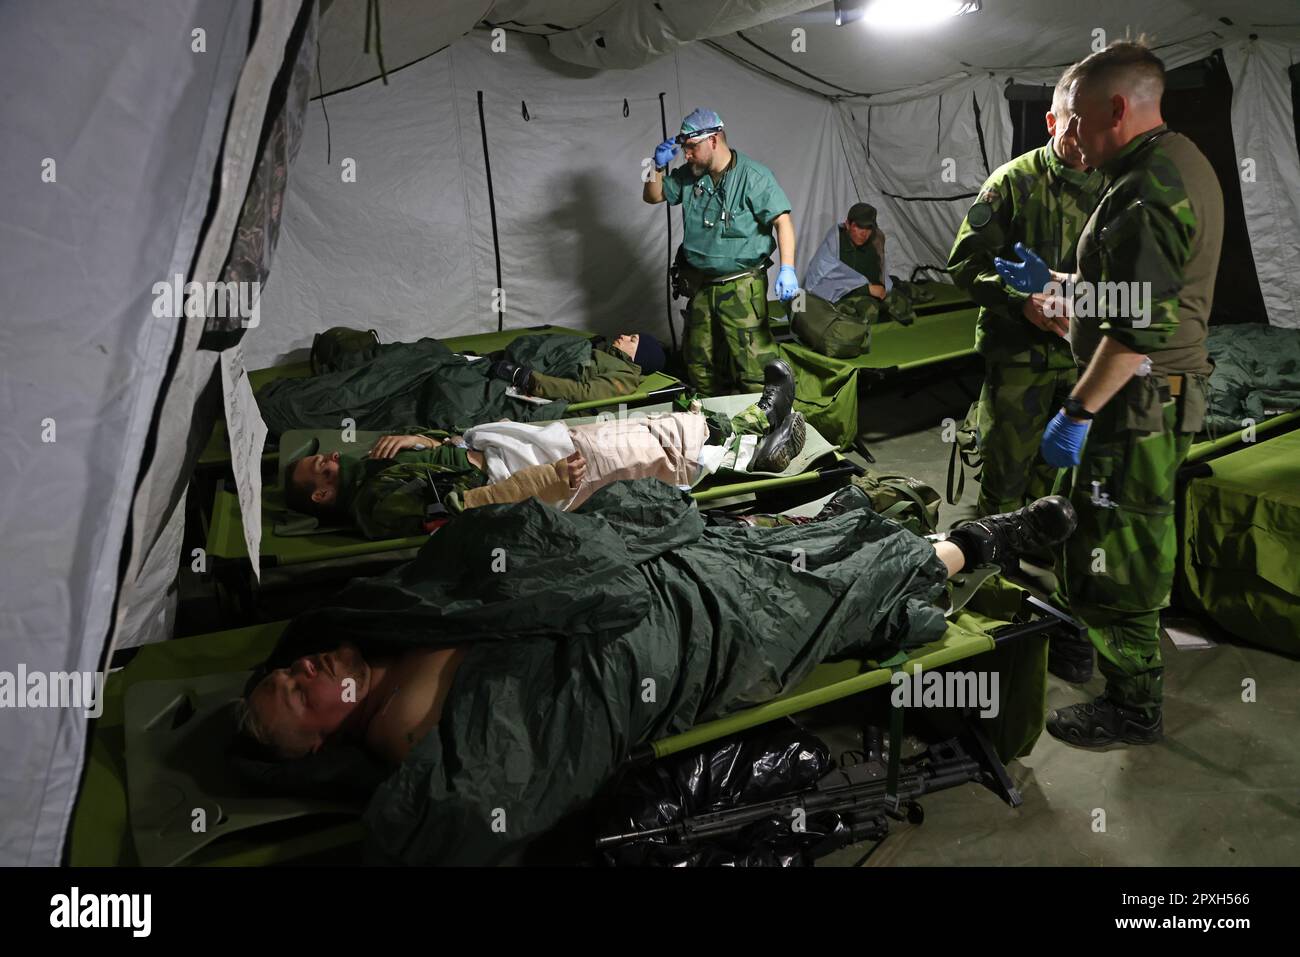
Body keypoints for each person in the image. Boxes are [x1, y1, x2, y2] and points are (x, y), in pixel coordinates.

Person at [234, 478, 1076, 863]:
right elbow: (534, 757)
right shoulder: (415, 746)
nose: (302, 666)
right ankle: (974, 543)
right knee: (811, 597)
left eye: (286, 668)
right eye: (293, 694)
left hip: (646, 567)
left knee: (772, 545)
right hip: (667, 638)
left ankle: (913, 528)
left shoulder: (390, 616)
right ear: (315, 747)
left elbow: (504, 551)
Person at [994, 40, 1222, 748]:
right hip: (1145, 396)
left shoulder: (1148, 187)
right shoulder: (1165, 165)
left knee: (1123, 554)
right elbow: (1133, 291)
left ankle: (1133, 707)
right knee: (1112, 538)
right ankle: (1116, 673)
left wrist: (1076, 409)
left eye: (1080, 119)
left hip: (1137, 403)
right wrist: (1059, 285)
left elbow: (1136, 334)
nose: (1072, 136)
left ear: (1117, 109)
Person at [285, 361, 807, 539]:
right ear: (320, 496)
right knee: (653, 454)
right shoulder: (375, 502)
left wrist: (429, 442)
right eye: (321, 467)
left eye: (323, 455)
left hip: (519, 451)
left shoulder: (377, 469)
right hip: (539, 476)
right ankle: (756, 447)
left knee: (649, 428)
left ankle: (756, 422)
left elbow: (444, 471)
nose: (332, 457)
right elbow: (461, 508)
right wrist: (549, 479)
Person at [948, 68, 1103, 522]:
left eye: (1093, 125)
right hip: (1019, 356)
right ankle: (994, 565)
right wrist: (1021, 301)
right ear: (1052, 123)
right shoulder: (1012, 182)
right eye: (1072, 124)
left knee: (1059, 474)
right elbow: (965, 265)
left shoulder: (1114, 185)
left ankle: (1040, 543)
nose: (1082, 137)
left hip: (1084, 356)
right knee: (1006, 469)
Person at [642, 108, 799, 395]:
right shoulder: (690, 175)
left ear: (713, 140)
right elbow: (651, 195)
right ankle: (712, 426)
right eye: (685, 148)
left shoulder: (753, 175)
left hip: (742, 285)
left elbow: (782, 221)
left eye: (692, 147)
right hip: (701, 285)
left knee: (753, 365)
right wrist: (652, 164)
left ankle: (765, 425)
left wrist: (788, 268)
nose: (686, 155)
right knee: (700, 363)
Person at [797, 203, 916, 357]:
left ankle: (904, 345)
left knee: (899, 302)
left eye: (868, 229)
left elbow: (876, 275)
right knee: (869, 308)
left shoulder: (872, 246)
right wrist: (866, 289)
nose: (864, 233)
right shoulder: (835, 244)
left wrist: (879, 288)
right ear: (848, 224)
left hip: (866, 295)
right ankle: (856, 346)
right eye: (859, 227)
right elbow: (821, 283)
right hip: (836, 299)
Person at [487, 333, 666, 403]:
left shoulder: (626, 377)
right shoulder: (605, 351)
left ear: (640, 356)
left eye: (632, 340)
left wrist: (527, 378)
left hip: (530, 379)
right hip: (525, 361)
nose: (624, 336)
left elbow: (581, 392)